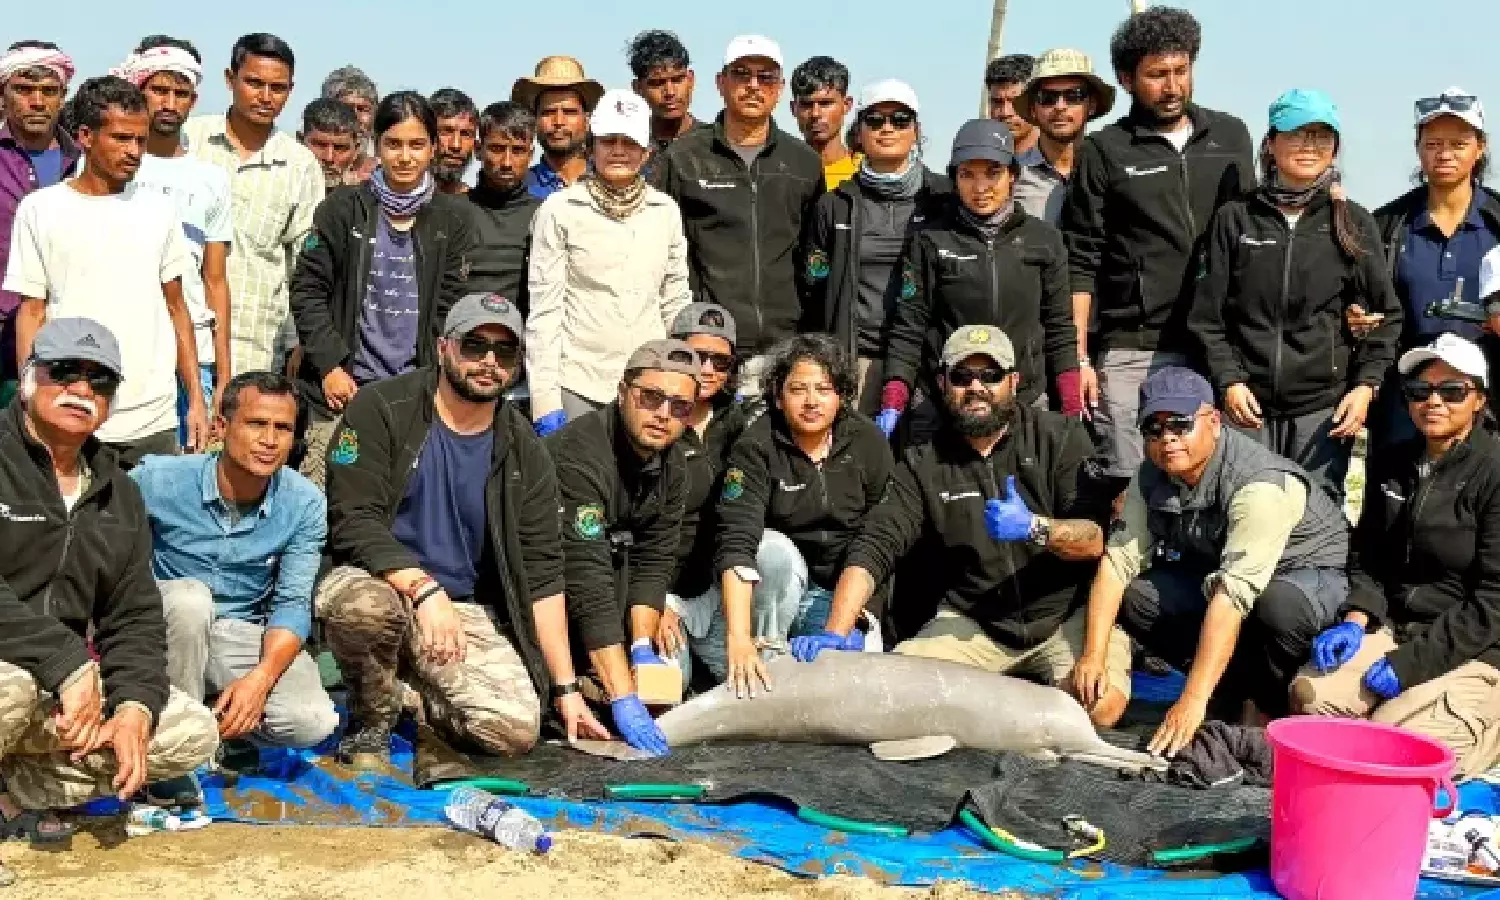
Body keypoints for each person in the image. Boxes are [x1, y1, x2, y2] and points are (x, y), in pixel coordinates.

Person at [318, 294, 607, 768]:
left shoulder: (525, 449)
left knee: (513, 732)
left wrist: (566, 689)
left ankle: (408, 695)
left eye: (504, 352)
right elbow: (353, 521)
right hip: (384, 582)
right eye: (475, 345)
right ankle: (370, 721)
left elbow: (543, 574)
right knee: (362, 609)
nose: (489, 362)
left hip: (465, 609)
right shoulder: (381, 408)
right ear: (442, 348)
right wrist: (424, 590)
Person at [800, 326, 1132, 722]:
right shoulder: (922, 462)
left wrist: (1036, 528)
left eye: (990, 376)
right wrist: (837, 630)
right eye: (962, 377)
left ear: (1013, 381)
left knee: (1102, 708)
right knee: (887, 697)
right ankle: (1016, 706)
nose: (976, 387)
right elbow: (876, 544)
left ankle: (995, 705)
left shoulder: (1060, 437)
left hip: (1065, 618)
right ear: (942, 384)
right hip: (975, 622)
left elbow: (1095, 539)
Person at [0, 318, 217, 842]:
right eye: (64, 371)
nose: (81, 389)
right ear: (30, 377)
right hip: (23, 673)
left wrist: (134, 707)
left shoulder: (119, 492)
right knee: (10, 689)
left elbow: (134, 615)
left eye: (100, 380)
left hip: (62, 693)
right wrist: (67, 661)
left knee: (190, 733)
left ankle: (15, 789)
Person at [1074, 366, 1348, 755]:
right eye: (1154, 428)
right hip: (1222, 575)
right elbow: (1117, 563)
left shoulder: (1259, 487)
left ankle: (1272, 708)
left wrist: (1191, 699)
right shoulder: (1151, 474)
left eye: (1181, 425)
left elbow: (1232, 598)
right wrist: (1093, 656)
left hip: (1306, 581)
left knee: (1276, 607)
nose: (1168, 440)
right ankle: (1229, 693)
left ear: (1214, 422)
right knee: (1139, 596)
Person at [1292, 335, 1500, 777]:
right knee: (1311, 694)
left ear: (1479, 399)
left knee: (1392, 747)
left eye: (1452, 391)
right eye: (1420, 392)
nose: (1434, 402)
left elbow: (1494, 603)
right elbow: (1369, 556)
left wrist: (1409, 665)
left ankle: (1485, 729)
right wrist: (1356, 619)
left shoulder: (1494, 473)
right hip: (1401, 628)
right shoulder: (1392, 461)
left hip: (1474, 647)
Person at [1062, 7, 1256, 481]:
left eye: (1181, 71)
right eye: (1156, 75)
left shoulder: (1231, 136)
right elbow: (1081, 257)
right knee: (1130, 481)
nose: (1172, 86)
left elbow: (1257, 235)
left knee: (1220, 485)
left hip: (1223, 348)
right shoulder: (1104, 151)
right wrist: (1079, 357)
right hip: (1135, 346)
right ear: (1126, 79)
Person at [1189, 89, 1401, 496]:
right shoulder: (1236, 219)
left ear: (1335, 148)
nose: (1309, 146)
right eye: (1296, 134)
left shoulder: (1353, 221)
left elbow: (1386, 317)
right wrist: (1229, 381)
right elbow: (1206, 319)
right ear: (1270, 144)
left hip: (1322, 410)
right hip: (1245, 406)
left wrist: (1364, 387)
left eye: (1321, 136)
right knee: (1247, 513)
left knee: (1316, 521)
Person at [133, 372, 337, 760]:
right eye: (256, 424)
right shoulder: (157, 479)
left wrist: (259, 681)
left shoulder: (304, 503)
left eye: (282, 428)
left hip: (239, 628)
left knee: (312, 720)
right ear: (222, 427)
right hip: (164, 626)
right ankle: (174, 754)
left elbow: (292, 603)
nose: (269, 440)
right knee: (191, 602)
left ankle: (217, 724)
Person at [5, 76, 206, 466]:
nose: (133, 151)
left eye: (140, 141)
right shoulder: (41, 210)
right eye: (121, 138)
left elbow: (177, 309)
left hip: (152, 417)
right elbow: (31, 311)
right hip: (72, 410)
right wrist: (31, 398)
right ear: (85, 136)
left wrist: (196, 398)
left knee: (146, 525)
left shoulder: (159, 212)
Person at [290, 91, 477, 488]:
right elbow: (308, 291)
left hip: (416, 397)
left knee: (401, 505)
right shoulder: (342, 209)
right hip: (341, 393)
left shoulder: (452, 221)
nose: (405, 157)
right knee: (329, 499)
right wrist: (330, 366)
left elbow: (449, 310)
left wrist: (432, 382)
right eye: (393, 144)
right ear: (376, 143)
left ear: (433, 147)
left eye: (416, 144)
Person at [713, 334, 893, 696]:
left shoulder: (868, 442)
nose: (811, 402)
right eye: (798, 390)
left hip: (837, 592)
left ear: (841, 395)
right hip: (776, 589)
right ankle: (765, 652)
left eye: (823, 389)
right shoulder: (755, 447)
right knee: (772, 550)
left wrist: (853, 622)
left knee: (846, 684)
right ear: (778, 396)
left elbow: (882, 537)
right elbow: (736, 539)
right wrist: (739, 639)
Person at [545, 339, 702, 755]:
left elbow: (655, 562)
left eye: (679, 406)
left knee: (669, 687)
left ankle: (603, 675)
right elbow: (585, 577)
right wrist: (622, 693)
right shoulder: (577, 455)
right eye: (651, 397)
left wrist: (640, 648)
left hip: (612, 586)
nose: (663, 414)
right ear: (622, 391)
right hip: (548, 590)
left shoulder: (674, 466)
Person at [880, 119, 1074, 441]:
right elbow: (909, 326)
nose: (980, 186)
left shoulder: (1045, 240)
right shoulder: (930, 240)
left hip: (1023, 400)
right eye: (967, 174)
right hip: (948, 402)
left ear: (1012, 175)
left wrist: (1070, 406)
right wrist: (893, 402)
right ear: (954, 178)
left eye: (992, 173)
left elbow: (1059, 327)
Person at [652, 35, 824, 388]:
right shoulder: (685, 157)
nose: (753, 87)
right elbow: (664, 251)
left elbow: (813, 254)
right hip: (708, 346)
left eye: (766, 78)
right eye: (742, 75)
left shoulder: (803, 162)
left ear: (780, 87)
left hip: (785, 344)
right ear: (721, 82)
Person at [527, 90, 691, 435]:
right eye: (608, 140)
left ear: (646, 151)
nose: (618, 151)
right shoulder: (559, 210)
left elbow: (675, 301)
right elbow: (545, 312)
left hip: (650, 386)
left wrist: (683, 378)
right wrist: (545, 401)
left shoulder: (665, 213)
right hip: (578, 384)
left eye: (629, 142)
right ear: (591, 146)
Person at [801, 80, 950, 414]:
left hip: (929, 361)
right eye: (875, 120)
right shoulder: (834, 204)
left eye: (900, 120)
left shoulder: (945, 198)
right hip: (857, 361)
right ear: (859, 131)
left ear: (916, 131)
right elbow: (814, 286)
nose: (887, 129)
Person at [182, 34, 325, 376]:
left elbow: (303, 265)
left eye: (277, 88)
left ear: (290, 91)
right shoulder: (189, 142)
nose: (265, 97)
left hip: (257, 348)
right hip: (180, 339)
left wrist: (298, 342)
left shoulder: (300, 165)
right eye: (254, 83)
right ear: (230, 80)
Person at [113, 36, 234, 436]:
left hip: (191, 352)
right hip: (123, 343)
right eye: (158, 90)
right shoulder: (109, 163)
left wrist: (223, 373)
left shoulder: (211, 179)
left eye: (180, 93)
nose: (168, 102)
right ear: (139, 91)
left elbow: (215, 280)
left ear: (192, 101)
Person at [1370, 88, 1499, 438]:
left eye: (1458, 144)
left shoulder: (1497, 223)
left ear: (1480, 148)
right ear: (1418, 148)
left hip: (1488, 400)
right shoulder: (1384, 225)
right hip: (1404, 401)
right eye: (1433, 144)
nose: (1445, 154)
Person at [658, 304, 760, 685]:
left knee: (757, 693)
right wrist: (648, 602)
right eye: (696, 356)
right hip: (659, 591)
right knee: (661, 695)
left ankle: (763, 642)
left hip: (718, 590)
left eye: (721, 361)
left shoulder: (740, 424)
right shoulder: (650, 421)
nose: (708, 369)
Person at [1, 42, 79, 407]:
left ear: (63, 96)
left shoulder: (83, 161)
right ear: (4, 93)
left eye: (49, 91)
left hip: (71, 334)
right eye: (24, 89)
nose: (37, 101)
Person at [1011, 48, 1116, 227]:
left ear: (1091, 105)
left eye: (1073, 96)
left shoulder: (1114, 171)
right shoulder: (1010, 177)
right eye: (1047, 98)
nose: (1060, 107)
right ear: (1032, 110)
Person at [466, 101, 542, 314]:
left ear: (530, 154)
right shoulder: (453, 213)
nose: (507, 162)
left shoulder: (543, 216)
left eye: (518, 150)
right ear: (478, 150)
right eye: (497, 149)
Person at [512, 57, 603, 200]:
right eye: (548, 112)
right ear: (533, 121)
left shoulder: (611, 183)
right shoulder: (517, 189)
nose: (558, 122)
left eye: (569, 112)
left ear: (587, 120)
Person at [627, 30, 698, 165]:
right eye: (657, 83)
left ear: (691, 80)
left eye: (677, 80)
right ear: (638, 88)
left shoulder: (716, 145)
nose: (670, 92)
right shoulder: (627, 147)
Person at [790, 56, 857, 190]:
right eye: (806, 104)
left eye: (825, 103)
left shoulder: (865, 173)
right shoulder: (779, 172)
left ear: (846, 105)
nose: (815, 113)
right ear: (793, 108)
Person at [319, 65, 378, 184]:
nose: (356, 118)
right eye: (347, 108)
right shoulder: (310, 165)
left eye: (362, 109)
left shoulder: (385, 171)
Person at [299, 97, 361, 190]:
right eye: (320, 145)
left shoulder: (369, 201)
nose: (329, 158)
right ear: (300, 143)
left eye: (339, 148)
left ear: (355, 151)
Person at [985, 54, 1037, 158]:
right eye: (997, 102)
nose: (1005, 112)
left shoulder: (1068, 164)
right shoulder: (979, 162)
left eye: (1015, 102)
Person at [430, 88, 477, 195]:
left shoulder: (479, 207)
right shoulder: (398, 202)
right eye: (447, 131)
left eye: (466, 134)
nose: (456, 145)